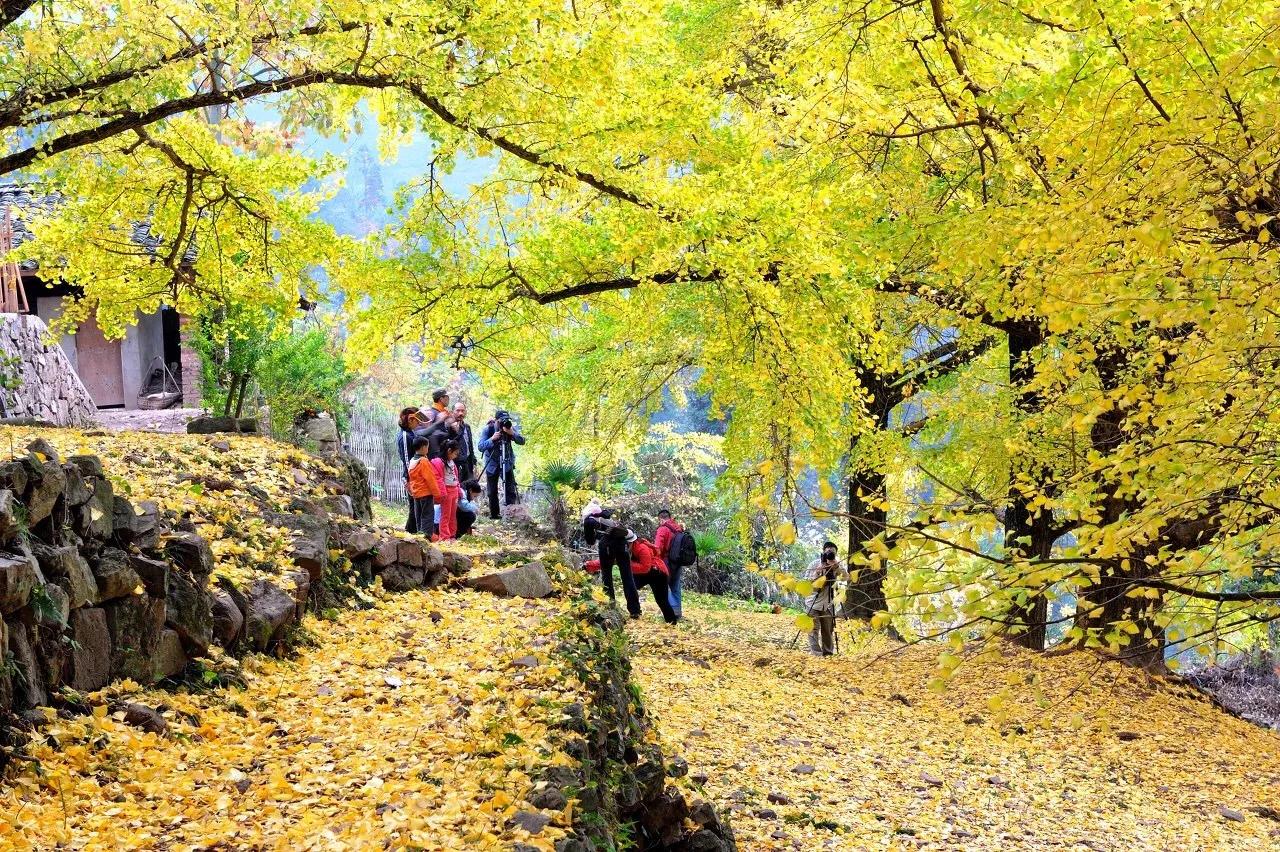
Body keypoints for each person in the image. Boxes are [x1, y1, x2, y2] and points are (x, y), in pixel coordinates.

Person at [583, 503, 640, 617]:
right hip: (622, 544)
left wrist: (594, 534)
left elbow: (590, 541)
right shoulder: (606, 516)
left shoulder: (589, 521)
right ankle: (635, 610)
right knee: (627, 576)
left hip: (607, 545)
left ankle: (610, 607)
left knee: (606, 576)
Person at [478, 409, 526, 519]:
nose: (504, 422)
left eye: (506, 420)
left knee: (510, 489)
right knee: (492, 491)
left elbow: (522, 441)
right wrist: (492, 439)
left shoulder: (509, 428)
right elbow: (480, 447)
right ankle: (495, 515)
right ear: (496, 420)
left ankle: (511, 513)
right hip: (492, 463)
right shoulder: (488, 429)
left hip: (507, 462)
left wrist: (512, 433)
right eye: (501, 420)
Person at [626, 531, 679, 624]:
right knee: (630, 586)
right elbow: (606, 560)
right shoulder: (627, 549)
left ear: (631, 542)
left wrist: (627, 564)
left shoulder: (641, 548)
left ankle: (672, 622)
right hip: (646, 573)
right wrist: (591, 565)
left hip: (658, 573)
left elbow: (645, 567)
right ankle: (635, 612)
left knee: (662, 600)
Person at [806, 541, 844, 656]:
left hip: (828, 601)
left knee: (828, 629)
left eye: (832, 553)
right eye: (827, 552)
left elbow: (845, 580)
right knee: (812, 628)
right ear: (823, 552)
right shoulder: (814, 564)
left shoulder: (837, 565)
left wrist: (837, 568)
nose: (829, 555)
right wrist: (818, 572)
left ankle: (828, 653)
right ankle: (816, 653)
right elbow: (807, 583)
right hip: (812, 600)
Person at [654, 509, 692, 619]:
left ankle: (668, 612)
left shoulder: (662, 529)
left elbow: (658, 547)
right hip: (677, 562)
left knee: (663, 587)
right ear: (669, 517)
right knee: (675, 587)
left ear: (660, 519)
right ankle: (677, 612)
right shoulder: (677, 528)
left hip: (665, 562)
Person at [407, 436, 442, 540]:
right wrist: (437, 493)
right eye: (427, 447)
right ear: (423, 447)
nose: (428, 449)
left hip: (416, 494)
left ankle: (419, 536)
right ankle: (426, 538)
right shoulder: (423, 461)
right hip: (426, 494)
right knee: (427, 516)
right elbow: (430, 479)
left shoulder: (412, 460)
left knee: (419, 516)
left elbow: (412, 479)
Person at [397, 407, 423, 533]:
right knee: (414, 505)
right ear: (411, 420)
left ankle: (413, 530)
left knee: (417, 505)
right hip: (410, 476)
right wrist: (409, 479)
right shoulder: (405, 436)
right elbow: (407, 459)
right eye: (417, 420)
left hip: (416, 475)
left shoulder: (412, 433)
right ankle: (410, 531)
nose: (418, 423)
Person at [431, 439, 462, 540]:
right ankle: (444, 537)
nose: (456, 456)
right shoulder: (439, 462)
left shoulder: (452, 462)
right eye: (455, 453)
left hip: (454, 491)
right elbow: (438, 479)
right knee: (446, 515)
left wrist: (458, 489)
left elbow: (455, 477)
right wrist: (442, 492)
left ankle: (452, 535)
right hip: (446, 492)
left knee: (453, 515)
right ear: (449, 451)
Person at [453, 403, 476, 482]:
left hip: (468, 462)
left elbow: (470, 444)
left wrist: (473, 460)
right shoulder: (450, 426)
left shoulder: (467, 426)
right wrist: (457, 431)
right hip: (456, 462)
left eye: (463, 411)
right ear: (453, 412)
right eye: (458, 410)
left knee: (468, 487)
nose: (461, 413)